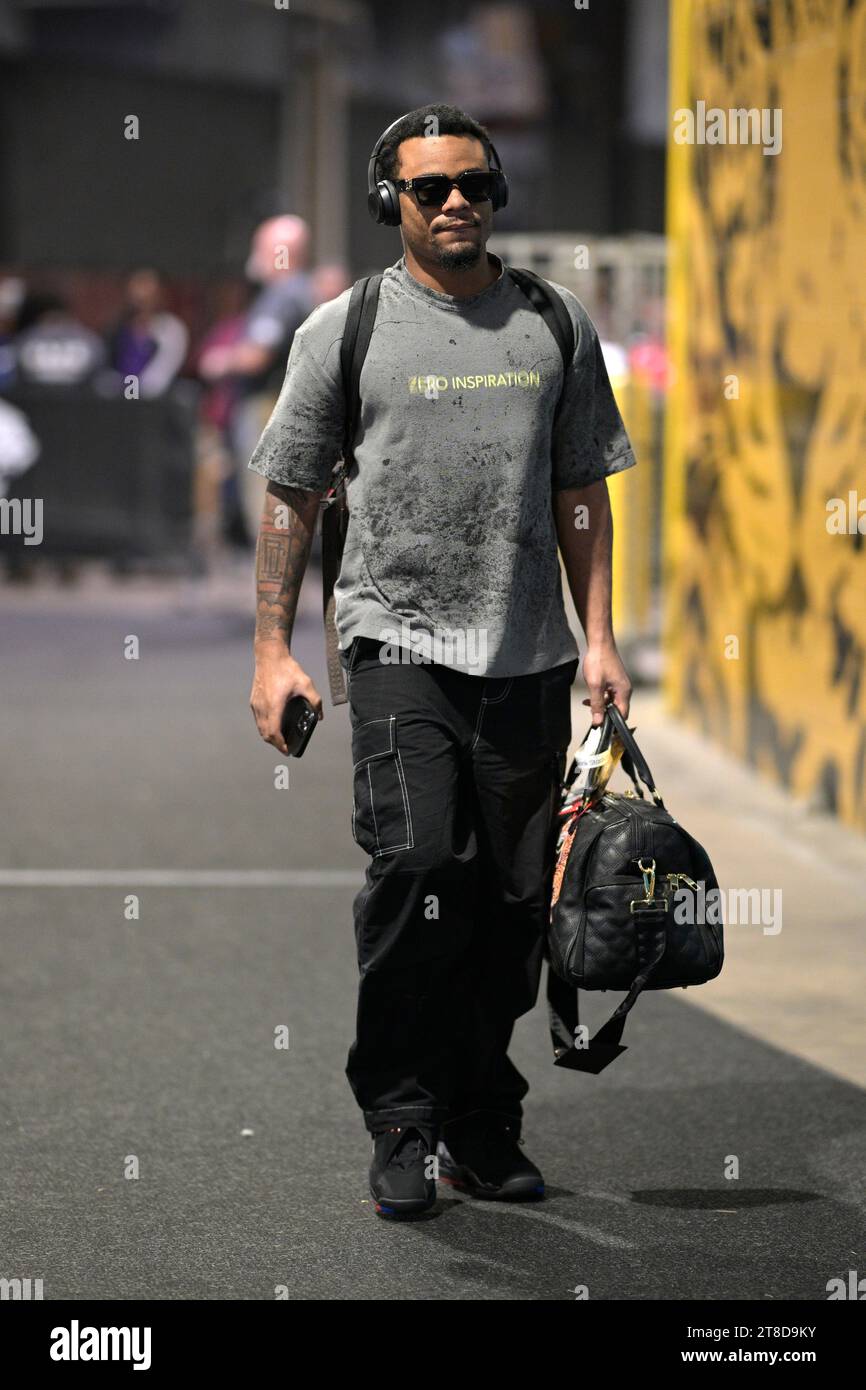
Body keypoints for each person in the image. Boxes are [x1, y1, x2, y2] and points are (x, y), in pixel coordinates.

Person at [246, 104, 637, 1219]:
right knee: (418, 871)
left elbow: (578, 493)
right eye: (430, 188)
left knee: (512, 904)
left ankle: (478, 1116)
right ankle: (403, 1121)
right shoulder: (345, 328)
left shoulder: (554, 324)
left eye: (474, 183)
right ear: (392, 204)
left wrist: (597, 637)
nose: (456, 201)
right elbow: (291, 495)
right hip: (393, 644)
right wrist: (274, 649)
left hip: (524, 655)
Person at [200, 215, 315, 544]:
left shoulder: (282, 295)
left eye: (262, 249)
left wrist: (221, 361)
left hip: (266, 406)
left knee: (264, 497)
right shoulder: (303, 292)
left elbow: (256, 357)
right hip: (290, 405)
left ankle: (270, 583)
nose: (256, 258)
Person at [104, 269, 189, 398]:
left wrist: (134, 393)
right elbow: (109, 370)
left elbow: (159, 377)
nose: (141, 293)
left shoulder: (171, 328)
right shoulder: (117, 328)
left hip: (155, 404)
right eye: (136, 284)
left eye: (147, 284)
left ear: (159, 292)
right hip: (118, 403)